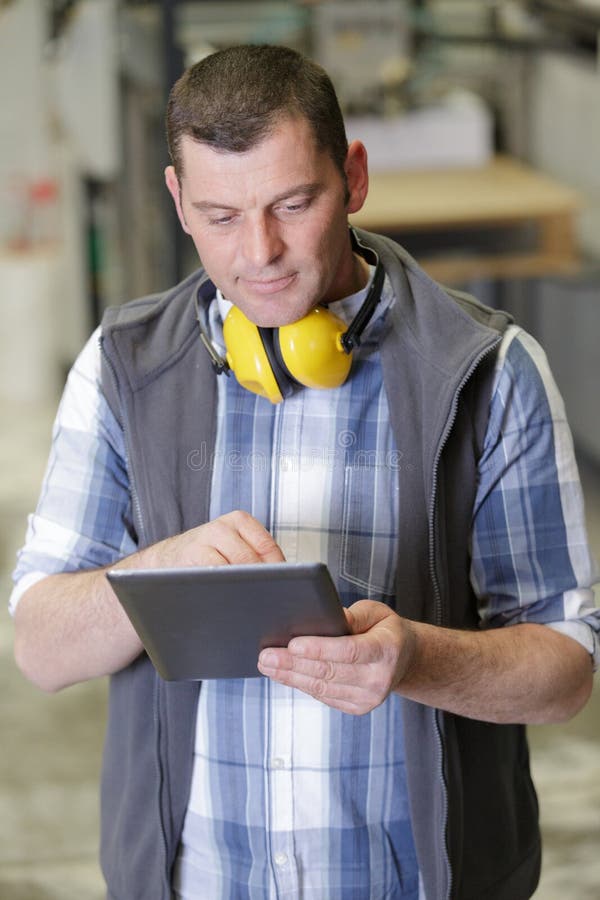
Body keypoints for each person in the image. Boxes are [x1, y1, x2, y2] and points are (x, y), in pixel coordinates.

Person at [10, 44, 599, 900]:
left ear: (353, 178)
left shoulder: (489, 371)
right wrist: (157, 571)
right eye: (221, 215)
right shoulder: (122, 370)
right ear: (177, 200)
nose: (262, 253)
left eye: (295, 202)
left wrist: (416, 659)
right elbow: (40, 647)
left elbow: (566, 672)